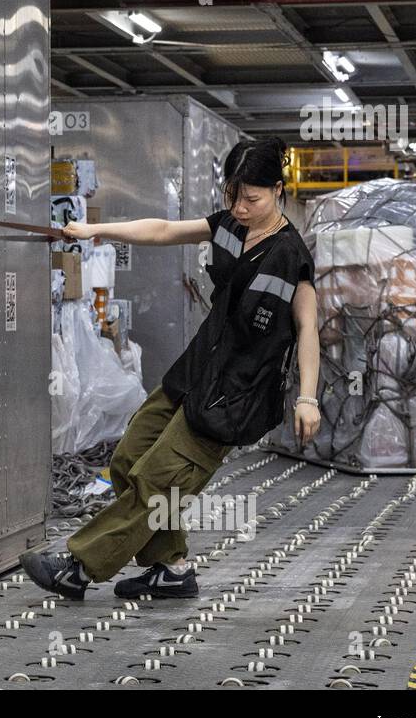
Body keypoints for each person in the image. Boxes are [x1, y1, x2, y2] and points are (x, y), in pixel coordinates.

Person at [21, 138, 321, 601]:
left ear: (277, 191)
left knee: (158, 482)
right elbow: (162, 229)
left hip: (235, 395)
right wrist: (97, 232)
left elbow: (307, 329)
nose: (240, 207)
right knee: (126, 461)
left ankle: (78, 568)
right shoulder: (227, 227)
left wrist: (307, 397)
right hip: (195, 372)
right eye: (232, 195)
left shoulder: (291, 256)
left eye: (252, 198)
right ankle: (172, 568)